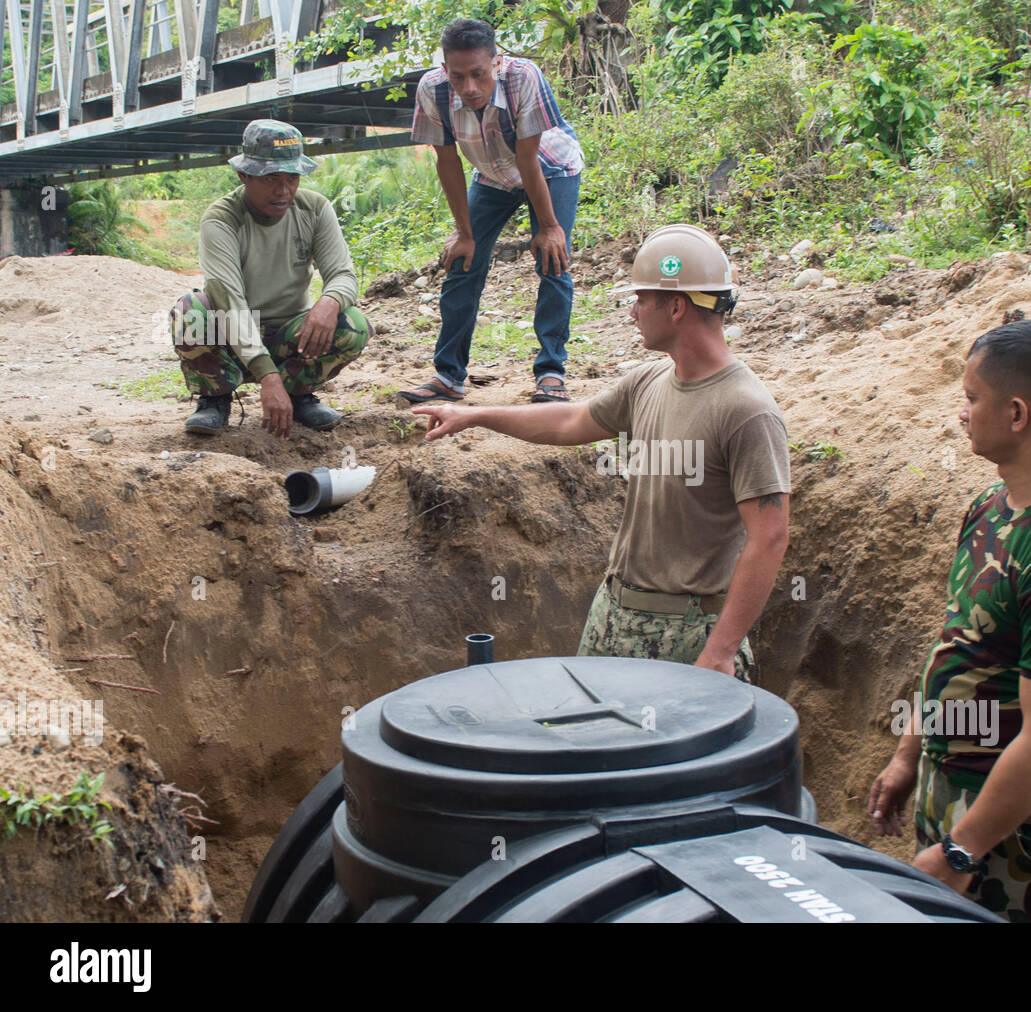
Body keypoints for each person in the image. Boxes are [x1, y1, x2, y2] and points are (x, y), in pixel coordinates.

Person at [413, 225, 790, 680]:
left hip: (688, 633)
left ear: (676, 307)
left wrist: (721, 649)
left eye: (641, 300)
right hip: (613, 614)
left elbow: (768, 536)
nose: (632, 313)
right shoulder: (648, 381)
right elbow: (572, 420)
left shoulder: (747, 411)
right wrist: (474, 415)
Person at [868, 319, 1031, 923]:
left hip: (1022, 835)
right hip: (960, 797)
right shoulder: (992, 508)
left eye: (970, 398)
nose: (961, 413)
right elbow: (956, 645)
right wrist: (911, 754)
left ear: (1016, 414)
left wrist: (963, 850)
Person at [399, 17, 583, 406]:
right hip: (492, 173)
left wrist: (549, 228)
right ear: (445, 68)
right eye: (458, 76)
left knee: (552, 259)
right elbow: (447, 163)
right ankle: (449, 376)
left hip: (550, 167)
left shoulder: (523, 78)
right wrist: (464, 233)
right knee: (463, 263)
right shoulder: (433, 89)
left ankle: (551, 372)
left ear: (496, 63)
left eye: (479, 75)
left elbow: (528, 158)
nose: (469, 88)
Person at [170, 119, 370, 437]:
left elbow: (343, 274)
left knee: (353, 324)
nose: (283, 190)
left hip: (292, 335)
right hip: (232, 335)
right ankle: (214, 397)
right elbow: (229, 302)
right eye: (271, 179)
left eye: (292, 179)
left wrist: (330, 301)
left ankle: (298, 393)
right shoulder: (221, 219)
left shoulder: (315, 209)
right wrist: (267, 376)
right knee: (190, 312)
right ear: (244, 175)